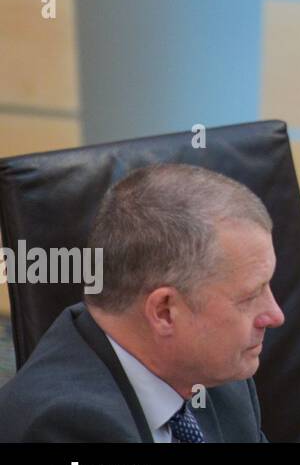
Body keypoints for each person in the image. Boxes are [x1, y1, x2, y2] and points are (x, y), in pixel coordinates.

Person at [0, 164, 283, 442]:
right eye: (249, 297)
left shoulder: (219, 375)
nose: (275, 315)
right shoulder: (67, 425)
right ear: (164, 312)